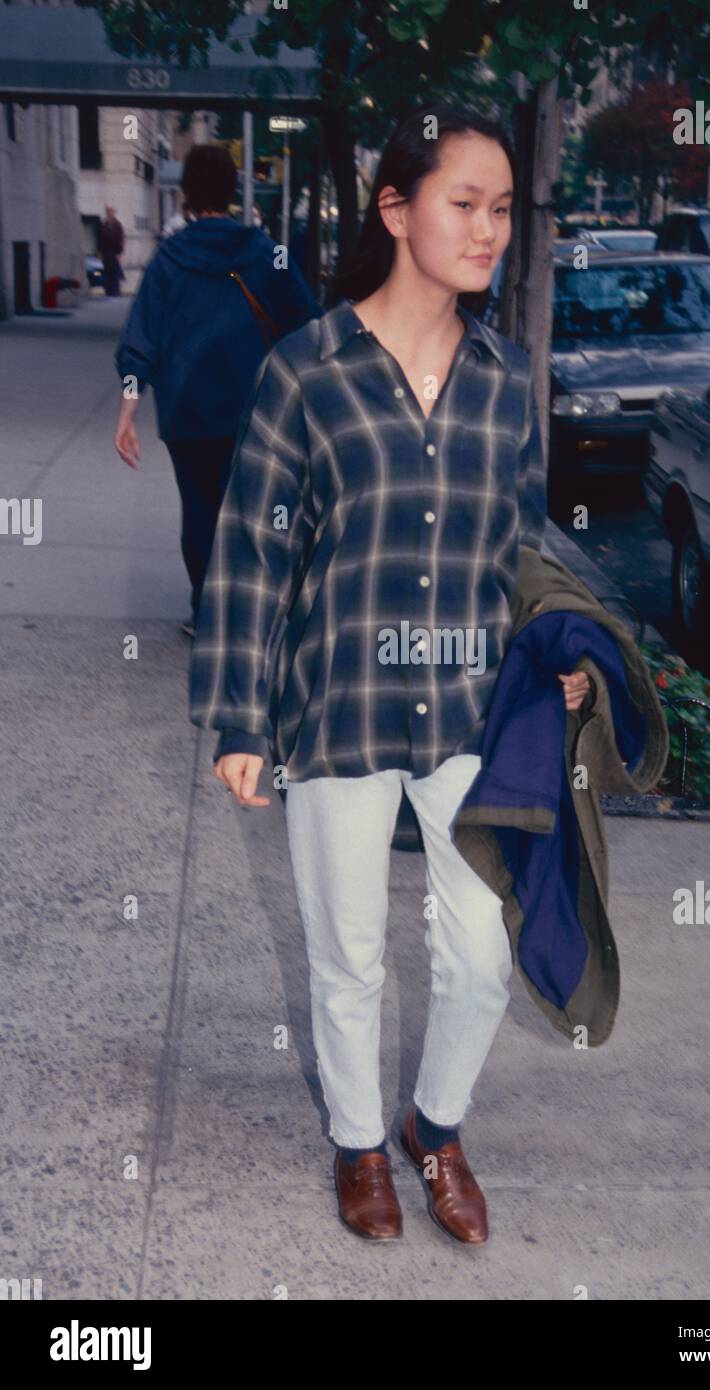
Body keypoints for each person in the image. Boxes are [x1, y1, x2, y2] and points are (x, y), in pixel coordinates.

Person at [188, 105, 592, 1244]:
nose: (488, 229)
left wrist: (559, 654)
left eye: (503, 209)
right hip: (337, 700)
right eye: (464, 203)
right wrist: (237, 716)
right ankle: (361, 1144)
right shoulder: (305, 374)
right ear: (397, 209)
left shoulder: (509, 381)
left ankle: (438, 1125)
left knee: (479, 951)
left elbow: (522, 547)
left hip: (472, 708)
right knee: (347, 949)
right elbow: (254, 551)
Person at [112, 144, 320, 636]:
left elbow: (139, 342)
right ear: (232, 190)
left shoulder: (168, 257)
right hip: (255, 409)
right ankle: (248, 611)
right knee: (250, 510)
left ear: (186, 192)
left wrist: (126, 411)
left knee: (200, 509)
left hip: (186, 411)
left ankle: (206, 609)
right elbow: (309, 325)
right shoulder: (268, 251)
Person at [99, 207, 125, 297]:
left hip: (114, 252)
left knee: (115, 273)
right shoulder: (104, 224)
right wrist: (100, 252)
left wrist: (119, 254)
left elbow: (121, 240)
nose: (109, 214)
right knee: (106, 272)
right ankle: (108, 291)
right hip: (106, 252)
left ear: (114, 213)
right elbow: (101, 239)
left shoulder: (118, 225)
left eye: (111, 212)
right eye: (108, 212)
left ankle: (115, 292)